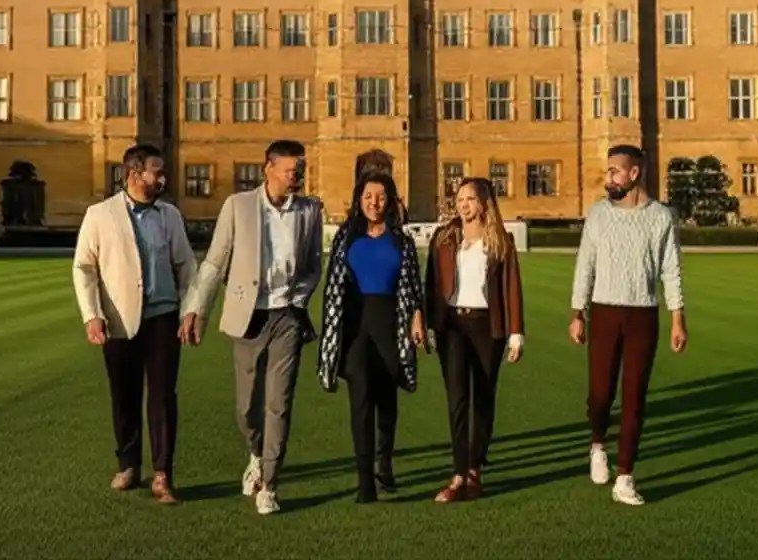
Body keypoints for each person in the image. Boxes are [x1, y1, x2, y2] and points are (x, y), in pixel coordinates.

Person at [180, 140, 323, 515]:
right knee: (247, 408)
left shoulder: (310, 211)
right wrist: (196, 309)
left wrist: (298, 297)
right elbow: (214, 261)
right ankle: (256, 455)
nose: (297, 176)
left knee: (279, 405)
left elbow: (312, 266)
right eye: (291, 170)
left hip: (287, 318)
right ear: (269, 168)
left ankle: (270, 486)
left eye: (301, 170)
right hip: (248, 316)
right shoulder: (238, 206)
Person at [72, 144, 197, 505]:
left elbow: (187, 267)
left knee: (162, 396)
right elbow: (84, 268)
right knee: (124, 395)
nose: (162, 178)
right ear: (133, 173)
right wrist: (91, 314)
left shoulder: (169, 215)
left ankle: (162, 473)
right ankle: (128, 464)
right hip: (119, 319)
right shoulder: (100, 215)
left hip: (162, 317)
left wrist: (190, 310)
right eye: (156, 172)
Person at [569, 144, 688, 507]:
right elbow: (584, 264)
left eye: (614, 172)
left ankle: (625, 476)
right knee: (601, 394)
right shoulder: (598, 214)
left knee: (635, 396)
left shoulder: (661, 217)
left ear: (634, 173)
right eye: (608, 172)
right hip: (604, 310)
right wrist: (577, 312)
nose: (608, 178)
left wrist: (677, 318)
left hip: (643, 313)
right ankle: (597, 443)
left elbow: (671, 269)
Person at [317, 172, 426, 503]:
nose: (373, 203)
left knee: (387, 400)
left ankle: (385, 461)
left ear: (390, 200)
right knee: (360, 400)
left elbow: (412, 285)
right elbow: (333, 287)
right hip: (354, 326)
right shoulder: (346, 238)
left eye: (380, 197)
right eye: (367, 196)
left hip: (390, 322)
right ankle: (365, 480)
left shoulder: (401, 241)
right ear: (358, 199)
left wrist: (417, 317)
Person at [423, 177, 525, 502]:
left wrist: (516, 333)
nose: (463, 205)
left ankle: (474, 470)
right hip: (452, 325)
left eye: (469, 199)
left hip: (486, 326)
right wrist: (428, 323)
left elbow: (511, 286)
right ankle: (457, 473)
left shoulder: (500, 241)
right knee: (457, 399)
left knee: (482, 399)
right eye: (460, 199)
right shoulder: (445, 237)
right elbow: (432, 283)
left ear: (484, 203)